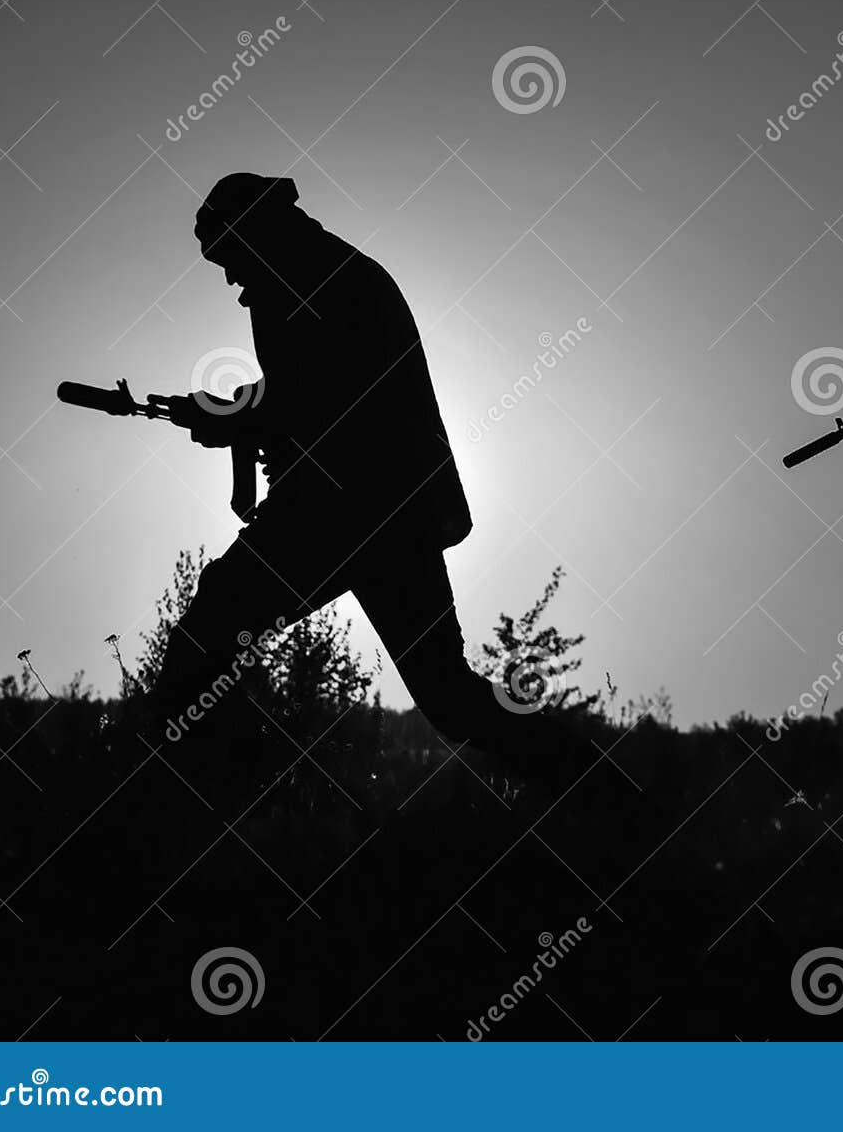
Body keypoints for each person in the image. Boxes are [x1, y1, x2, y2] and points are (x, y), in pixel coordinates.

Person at [151, 172, 591, 801]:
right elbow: (303, 392)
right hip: (381, 515)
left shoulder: (313, 284)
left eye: (229, 257)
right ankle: (608, 803)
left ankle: (233, 799)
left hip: (345, 513)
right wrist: (229, 415)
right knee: (448, 696)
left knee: (207, 633)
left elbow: (321, 400)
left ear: (255, 235)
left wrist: (232, 420)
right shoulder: (322, 275)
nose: (229, 279)